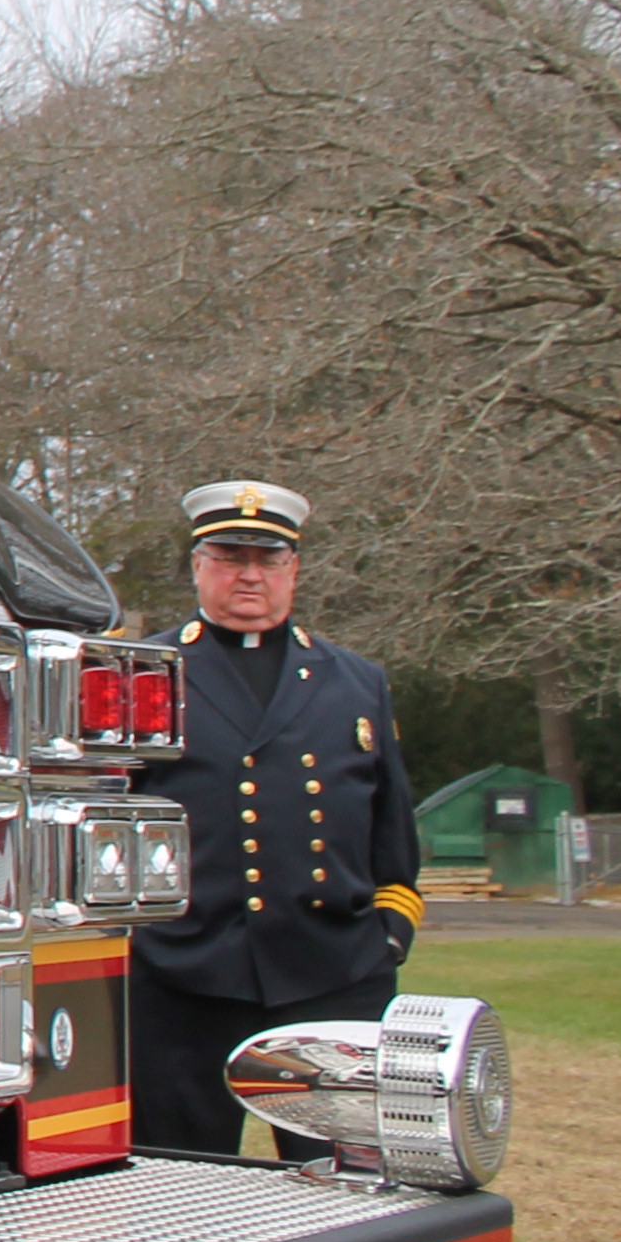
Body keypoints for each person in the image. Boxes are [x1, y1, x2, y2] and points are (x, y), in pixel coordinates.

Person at [126, 481, 422, 1156]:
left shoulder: (356, 682)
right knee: (182, 1178)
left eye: (268, 560)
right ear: (198, 566)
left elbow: (392, 829)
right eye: (230, 557)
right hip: (183, 976)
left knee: (345, 1183)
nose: (250, 575)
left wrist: (389, 937)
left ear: (294, 569)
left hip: (332, 973)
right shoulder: (144, 674)